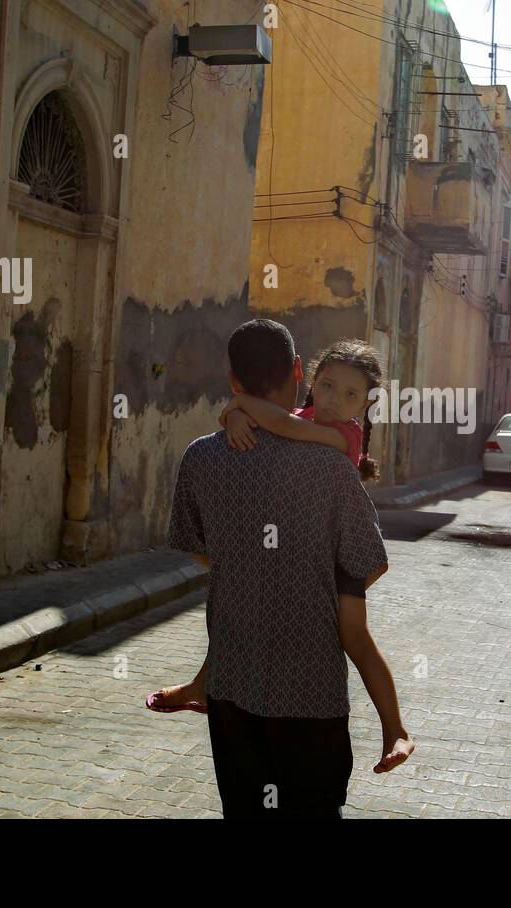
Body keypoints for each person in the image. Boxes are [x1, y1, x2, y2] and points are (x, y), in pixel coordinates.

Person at [155, 320, 409, 817]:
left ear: (233, 381)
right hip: (311, 692)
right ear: (301, 374)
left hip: (233, 685)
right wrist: (308, 579)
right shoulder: (332, 469)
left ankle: (201, 682)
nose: (336, 398)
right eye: (329, 386)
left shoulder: (202, 457)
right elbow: (367, 565)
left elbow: (202, 552)